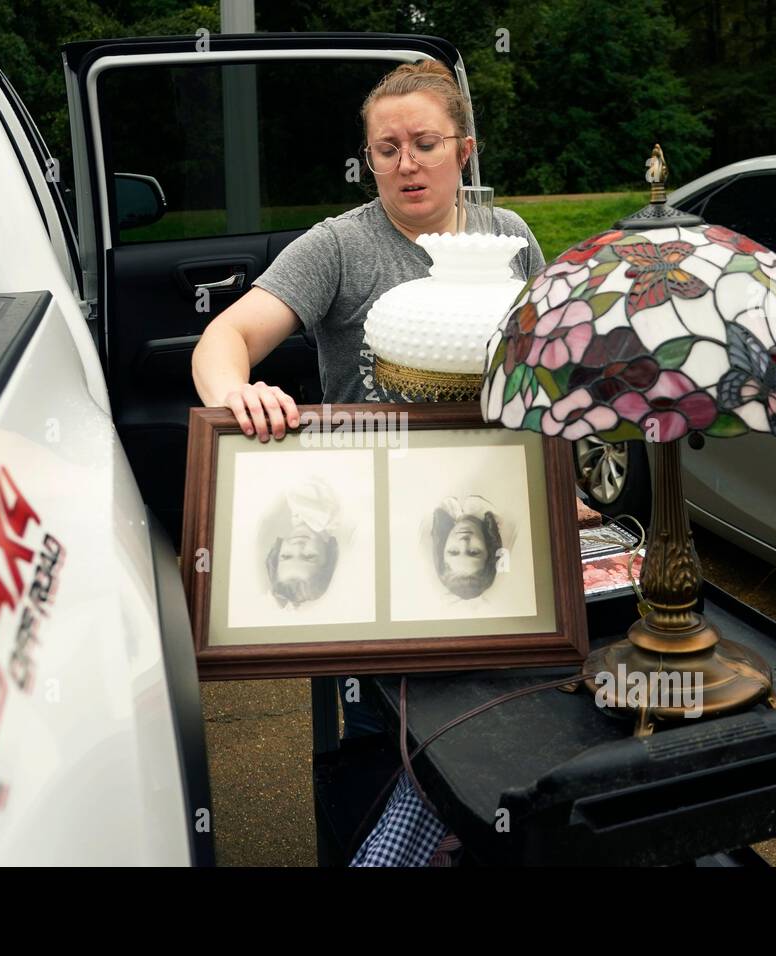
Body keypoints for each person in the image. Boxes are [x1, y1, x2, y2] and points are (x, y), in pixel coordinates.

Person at [191, 61, 547, 855]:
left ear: (465, 149)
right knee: (415, 714)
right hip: (380, 519)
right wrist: (235, 394)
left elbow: (544, 367)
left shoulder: (511, 238)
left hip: (502, 503)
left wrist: (567, 484)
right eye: (386, 149)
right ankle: (415, 824)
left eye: (424, 143)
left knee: (521, 701)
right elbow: (226, 337)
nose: (405, 163)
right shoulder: (340, 246)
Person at [265, 477, 341, 608]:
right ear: (328, 556)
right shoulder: (324, 513)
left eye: (286, 556)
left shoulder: (301, 516)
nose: (297, 546)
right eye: (309, 556)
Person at [430, 496, 503, 600]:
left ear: (442, 548)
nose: (463, 542)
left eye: (453, 551)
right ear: (489, 549)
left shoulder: (437, 510)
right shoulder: (499, 509)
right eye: (473, 552)